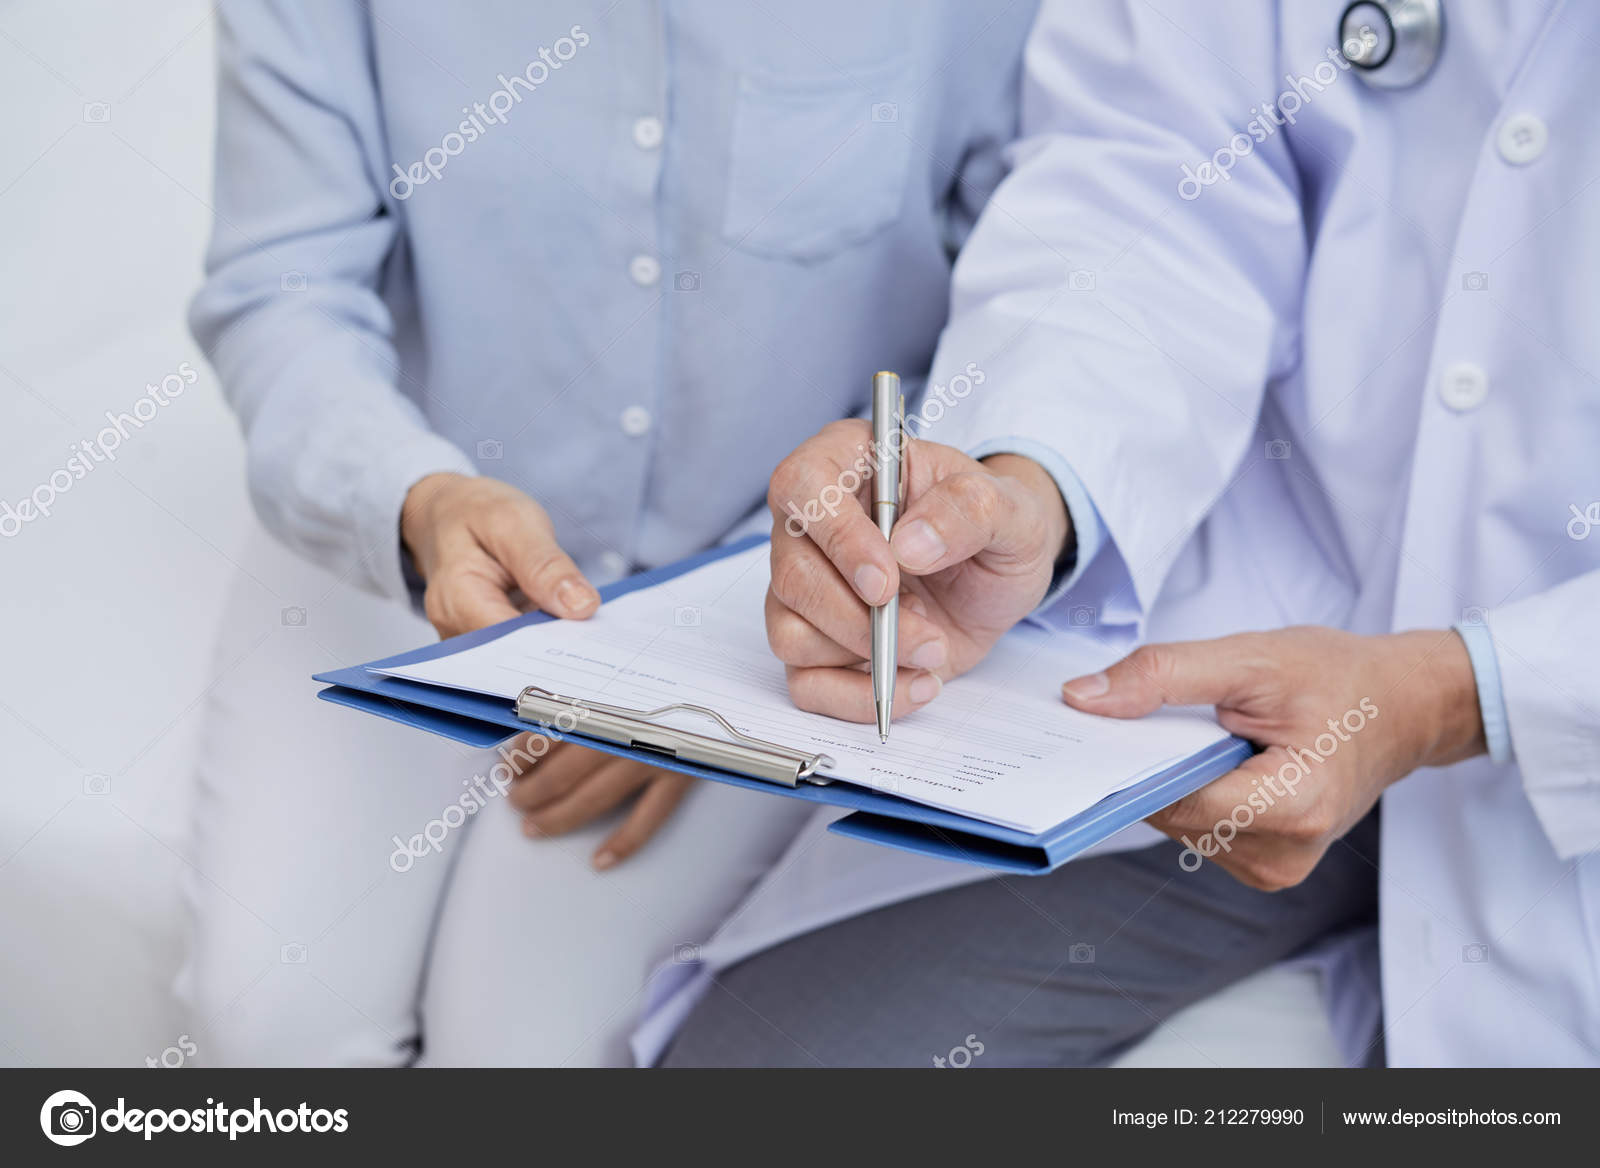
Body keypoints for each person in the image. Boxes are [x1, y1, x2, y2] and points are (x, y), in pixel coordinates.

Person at [662, 0, 1599, 1066]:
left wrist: (1456, 692)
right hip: (1235, 651)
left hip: (1562, 754)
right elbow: (1157, 180)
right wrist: (1029, 490)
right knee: (762, 1065)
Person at [181, 0, 1043, 1064]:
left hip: (775, 602)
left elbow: (1025, 309)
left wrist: (730, 640)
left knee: (520, 1052)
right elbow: (281, 289)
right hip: (399, 525)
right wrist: (414, 500)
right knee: (270, 1023)